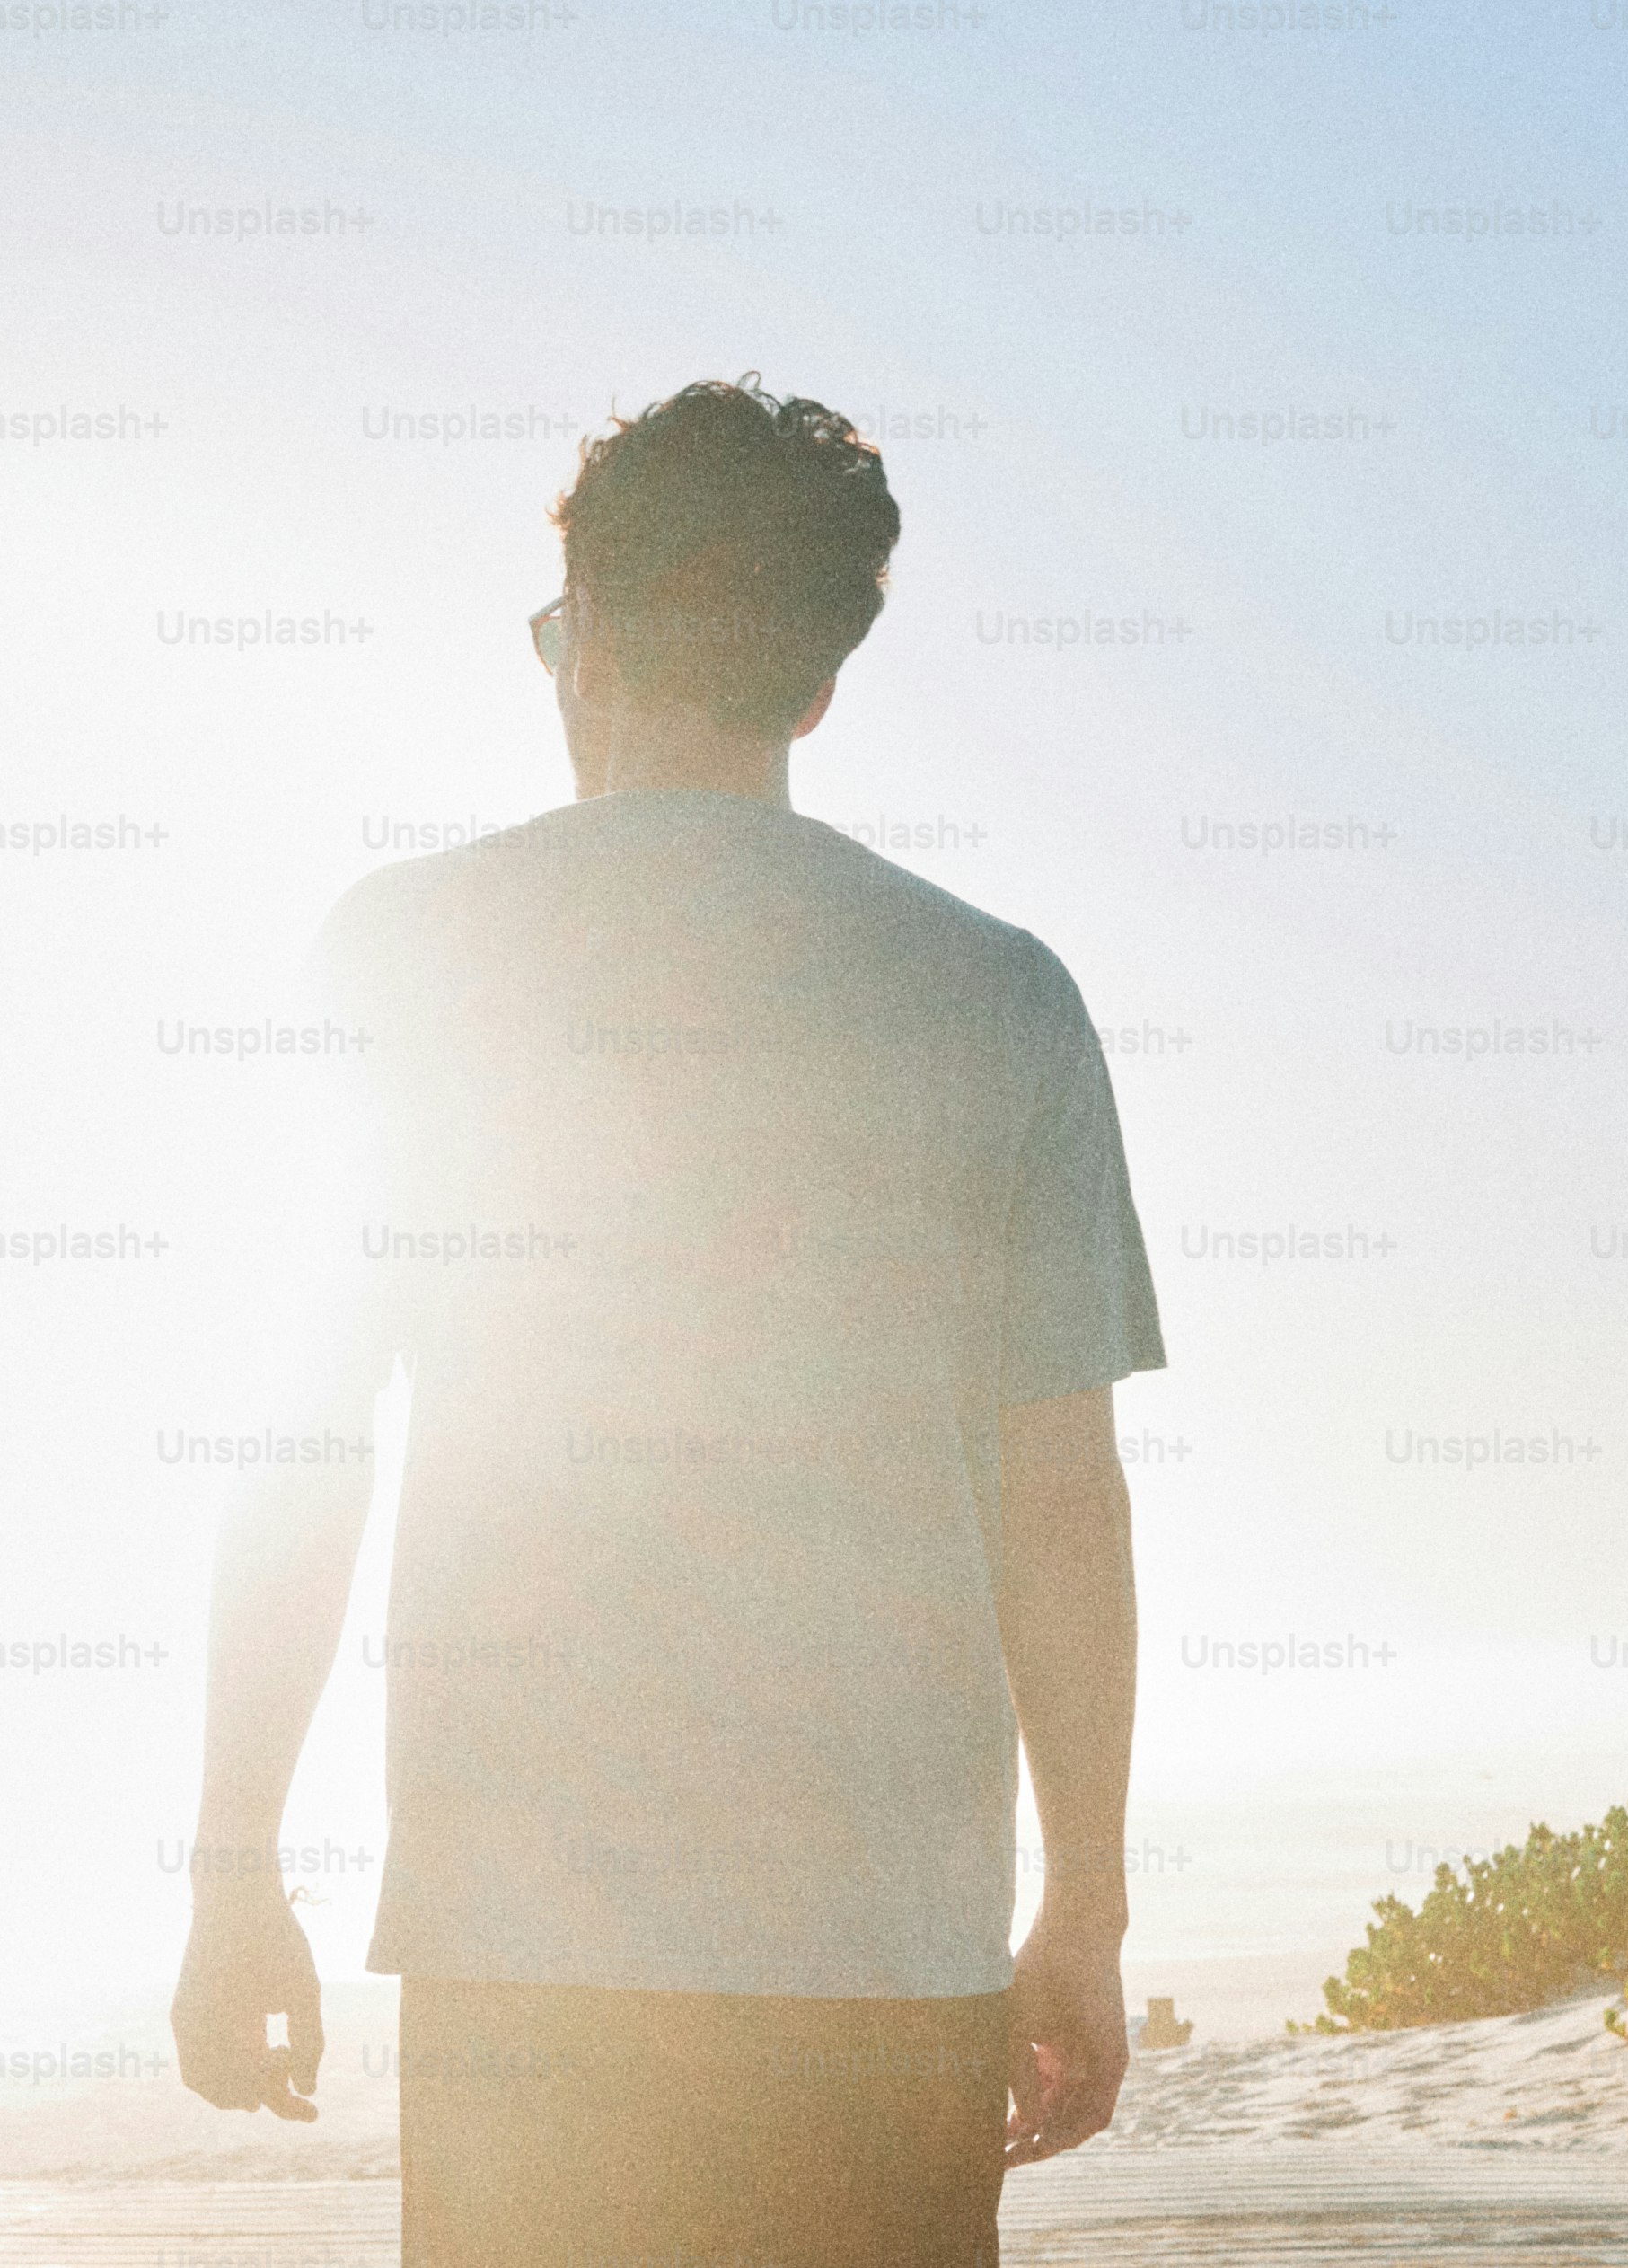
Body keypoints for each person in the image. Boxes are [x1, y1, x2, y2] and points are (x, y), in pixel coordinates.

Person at [172, 377, 1164, 2266]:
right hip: (887, 1960)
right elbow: (1066, 1500)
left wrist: (235, 1871)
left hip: (526, 1961)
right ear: (818, 683)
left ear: (595, 634)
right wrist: (1086, 1911)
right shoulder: (1001, 997)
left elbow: (302, 1445)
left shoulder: (405, 953)